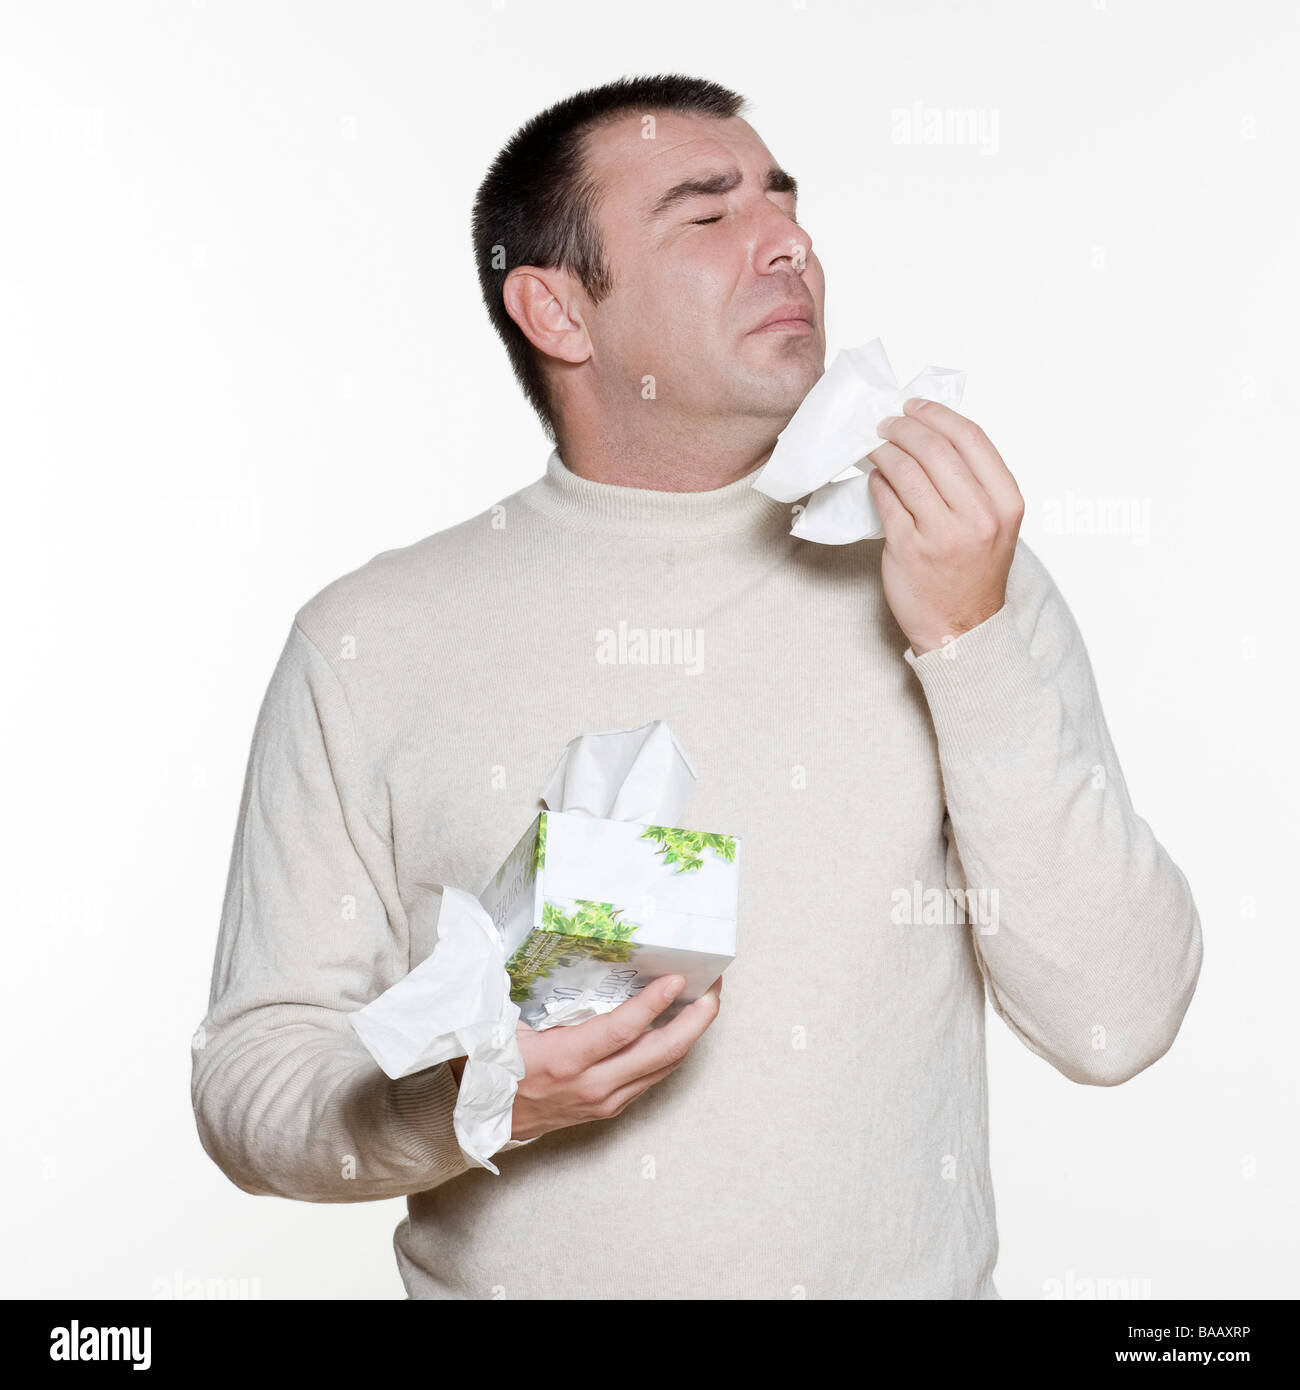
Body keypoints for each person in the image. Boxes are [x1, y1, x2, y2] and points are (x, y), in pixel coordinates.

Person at [191, 74, 1203, 1300]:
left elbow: (1117, 1018)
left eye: (783, 201)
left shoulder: (953, 566)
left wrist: (967, 638)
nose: (788, 241)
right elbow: (252, 1076)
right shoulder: (367, 640)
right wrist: (472, 1105)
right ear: (556, 308)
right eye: (707, 214)